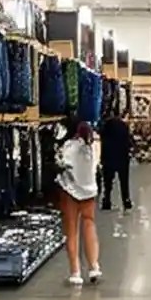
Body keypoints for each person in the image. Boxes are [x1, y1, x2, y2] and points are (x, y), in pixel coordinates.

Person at [56, 120, 101, 285]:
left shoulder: (69, 146)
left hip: (70, 191)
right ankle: (93, 266)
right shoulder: (93, 145)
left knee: (72, 230)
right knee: (89, 224)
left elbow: (61, 163)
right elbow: (96, 166)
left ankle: (75, 272)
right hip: (89, 190)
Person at [99, 111, 133, 210]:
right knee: (124, 181)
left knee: (108, 182)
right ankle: (126, 200)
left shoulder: (106, 126)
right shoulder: (124, 126)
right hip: (122, 157)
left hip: (109, 157)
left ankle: (107, 201)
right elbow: (128, 141)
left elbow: (102, 139)